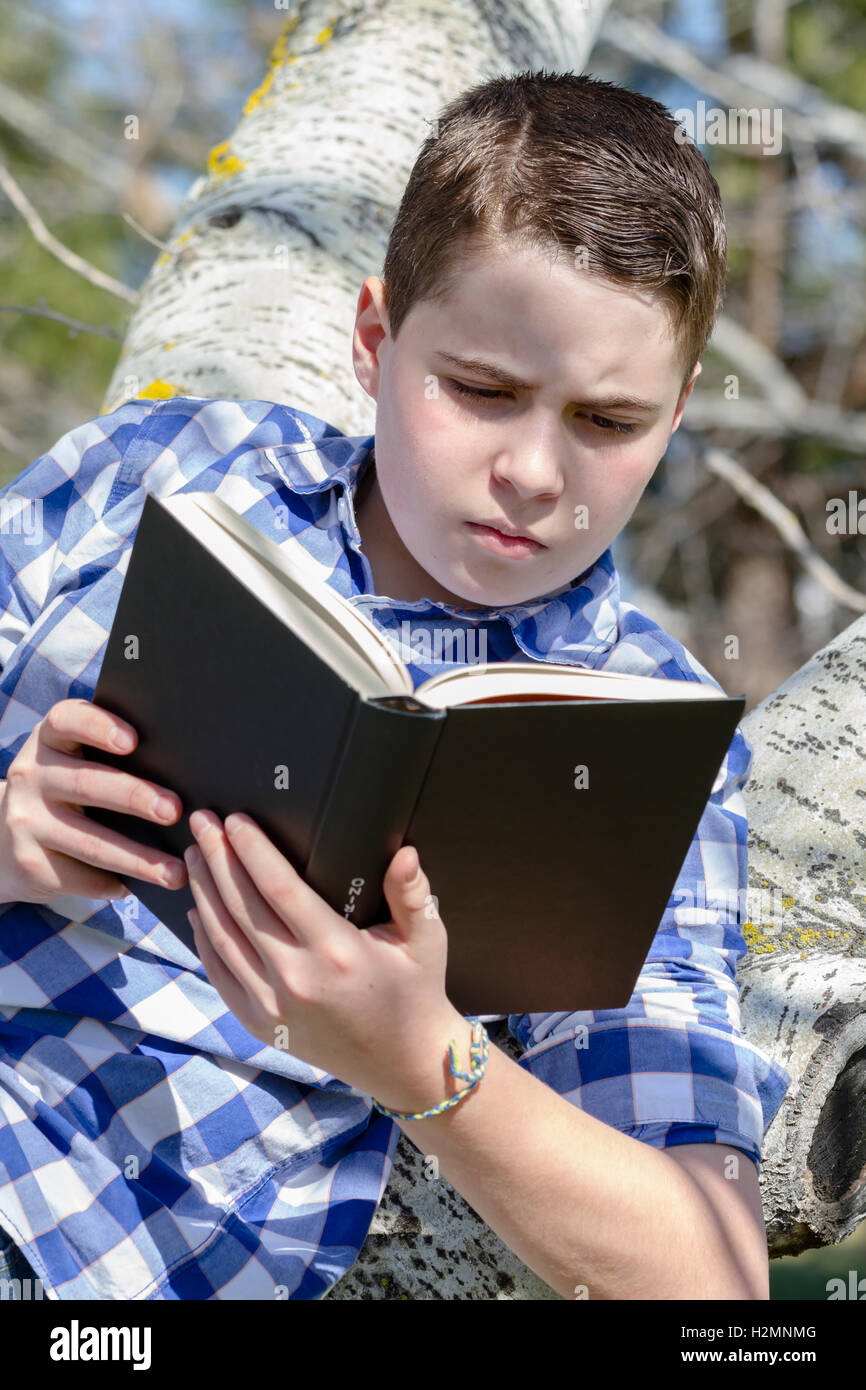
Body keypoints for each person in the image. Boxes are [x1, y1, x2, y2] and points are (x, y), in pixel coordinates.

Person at [0, 70, 792, 1302]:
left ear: (680, 411)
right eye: (479, 390)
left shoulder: (638, 734)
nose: (533, 470)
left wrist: (420, 1058)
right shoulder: (158, 469)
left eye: (607, 420)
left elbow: (707, 1282)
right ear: (372, 341)